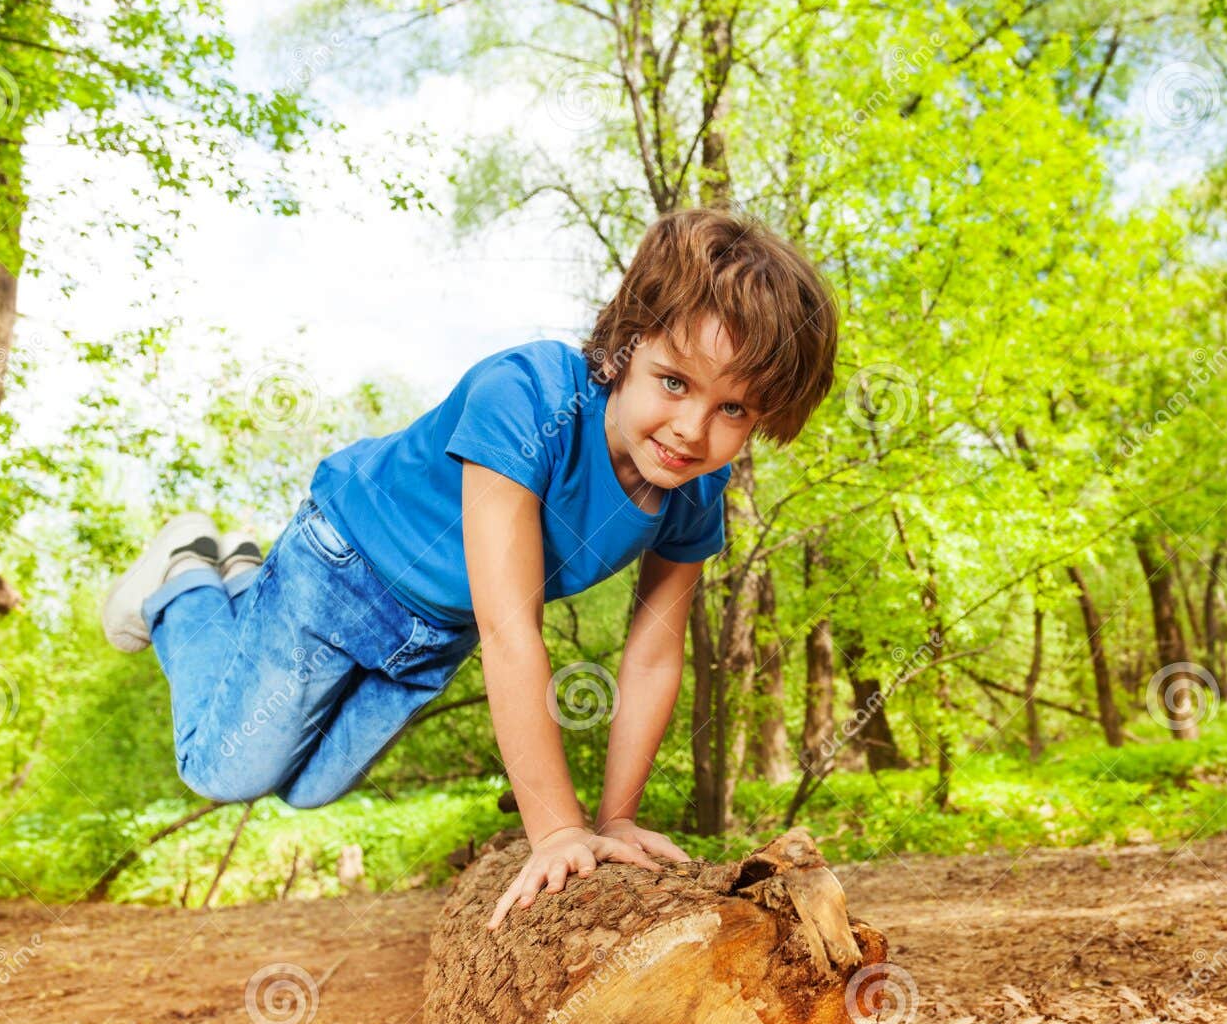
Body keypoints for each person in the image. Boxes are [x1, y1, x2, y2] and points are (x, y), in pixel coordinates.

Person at [99, 207, 838, 928]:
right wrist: (555, 830)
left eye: (734, 409)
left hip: (432, 635)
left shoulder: (693, 492)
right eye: (674, 381)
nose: (691, 429)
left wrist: (614, 819)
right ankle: (186, 581)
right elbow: (511, 628)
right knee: (223, 769)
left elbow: (650, 656)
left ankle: (235, 575)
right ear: (626, 344)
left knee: (311, 786)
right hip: (343, 569)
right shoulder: (527, 394)